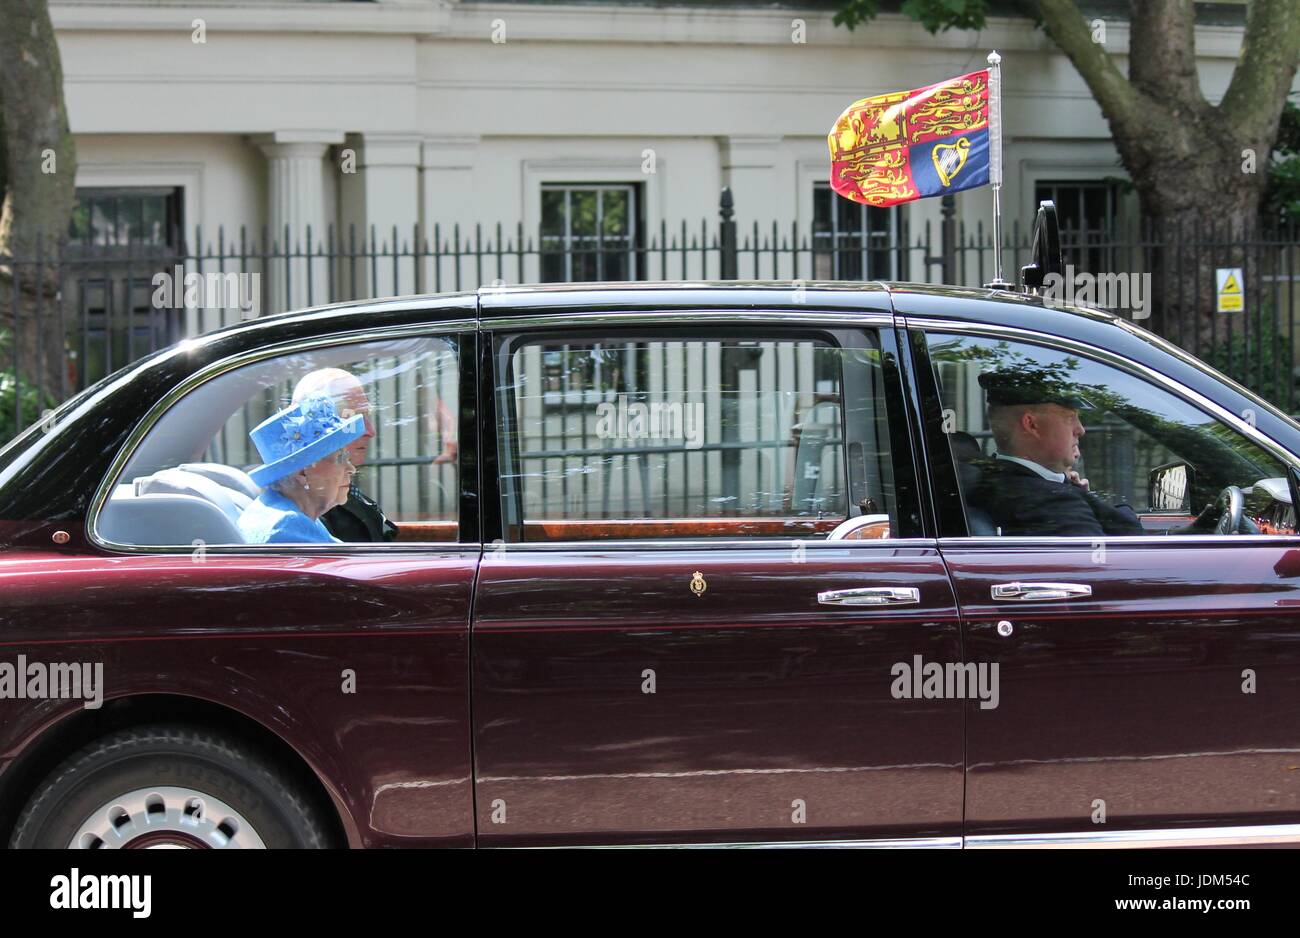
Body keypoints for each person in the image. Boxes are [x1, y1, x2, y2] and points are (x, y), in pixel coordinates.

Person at [967, 369, 1145, 537]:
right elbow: (1127, 554)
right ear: (1032, 425)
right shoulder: (1053, 502)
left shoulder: (990, 478)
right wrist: (1076, 495)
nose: (1080, 429)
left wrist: (1070, 489)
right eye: (1069, 418)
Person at [237, 394, 362, 544]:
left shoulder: (290, 513)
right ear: (303, 472)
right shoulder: (288, 525)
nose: (351, 469)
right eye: (340, 458)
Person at [292, 368, 398, 543]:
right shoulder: (315, 507)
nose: (371, 431)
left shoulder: (338, 492)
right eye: (354, 419)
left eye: (367, 416)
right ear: (320, 430)